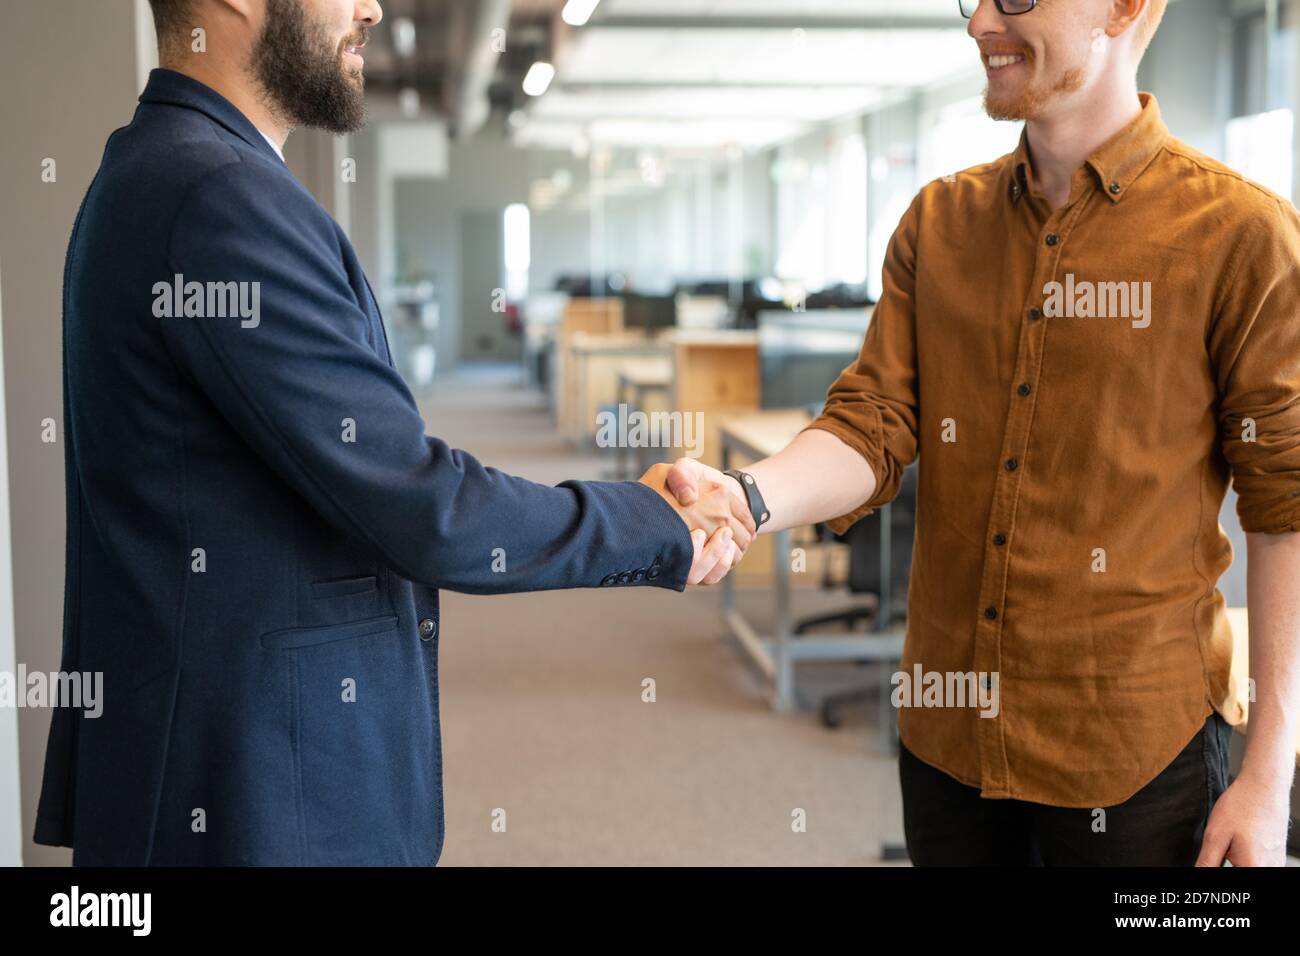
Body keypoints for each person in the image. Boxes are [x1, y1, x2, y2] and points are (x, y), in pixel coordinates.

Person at [32, 0, 753, 865]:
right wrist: (650, 517)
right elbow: (421, 502)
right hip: (252, 793)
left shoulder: (163, 173)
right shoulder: (219, 198)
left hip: (226, 766)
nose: (372, 6)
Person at [668, 0, 1299, 866]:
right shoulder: (938, 225)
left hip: (1133, 752)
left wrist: (1269, 771)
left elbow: (1285, 510)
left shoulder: (1239, 236)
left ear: (1125, 8)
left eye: (1017, 0)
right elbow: (872, 425)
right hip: (948, 739)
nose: (979, 26)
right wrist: (744, 497)